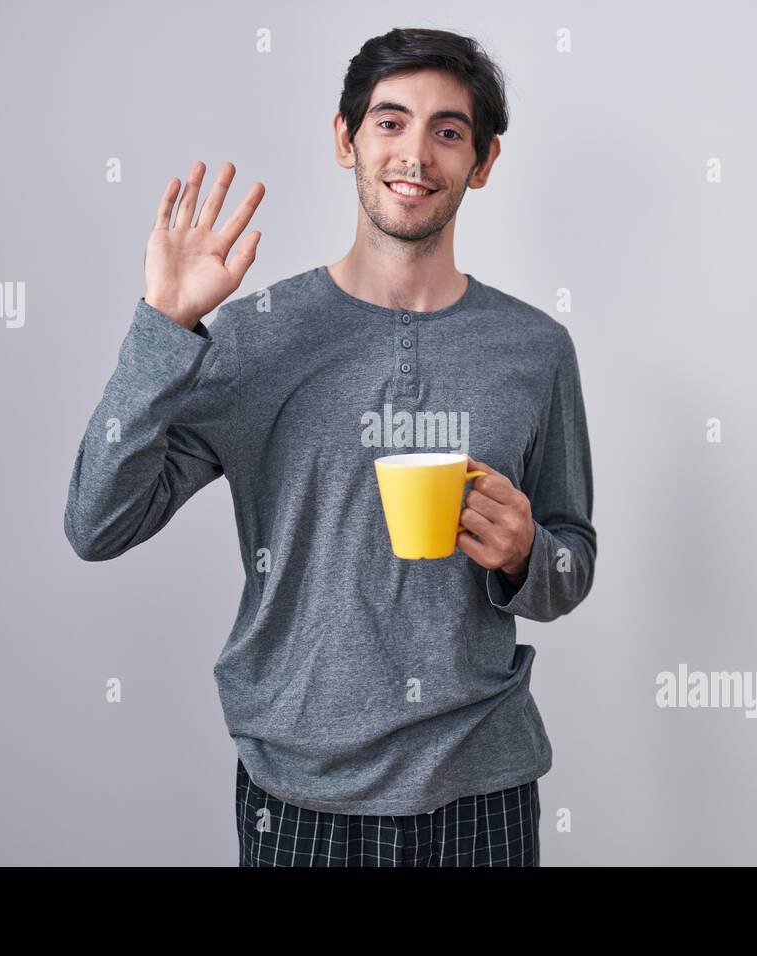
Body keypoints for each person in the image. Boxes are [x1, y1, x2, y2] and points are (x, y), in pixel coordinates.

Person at [64, 27, 596, 866]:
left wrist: (530, 553)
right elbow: (97, 524)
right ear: (346, 139)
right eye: (390, 122)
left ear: (484, 161)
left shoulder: (535, 350)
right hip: (298, 799)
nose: (414, 154)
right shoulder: (256, 337)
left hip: (483, 789)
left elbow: (572, 565)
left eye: (447, 130)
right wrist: (163, 329)